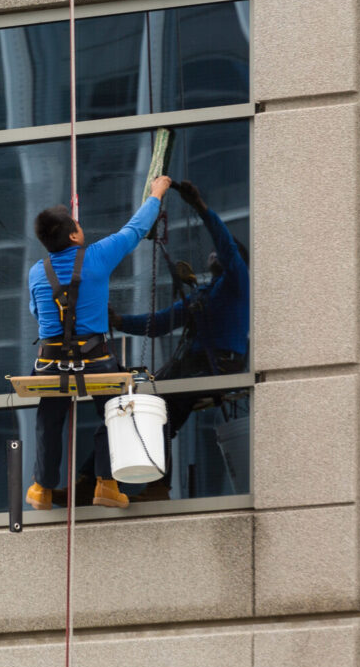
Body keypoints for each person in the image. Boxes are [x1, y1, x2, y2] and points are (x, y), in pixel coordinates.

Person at [26, 177, 170, 511]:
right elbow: (134, 230)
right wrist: (156, 194)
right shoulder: (97, 257)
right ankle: (106, 483)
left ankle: (42, 488)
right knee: (114, 411)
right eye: (77, 223)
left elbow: (37, 311)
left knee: (49, 417)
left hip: (51, 364)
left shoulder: (37, 273)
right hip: (96, 359)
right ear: (75, 235)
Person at [112, 180, 248, 499]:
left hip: (220, 365)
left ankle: (159, 485)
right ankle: (149, 480)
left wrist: (200, 207)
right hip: (198, 365)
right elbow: (161, 322)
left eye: (221, 253)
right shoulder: (203, 294)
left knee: (165, 409)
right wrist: (120, 323)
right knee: (149, 401)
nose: (213, 253)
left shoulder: (237, 281)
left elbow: (226, 246)